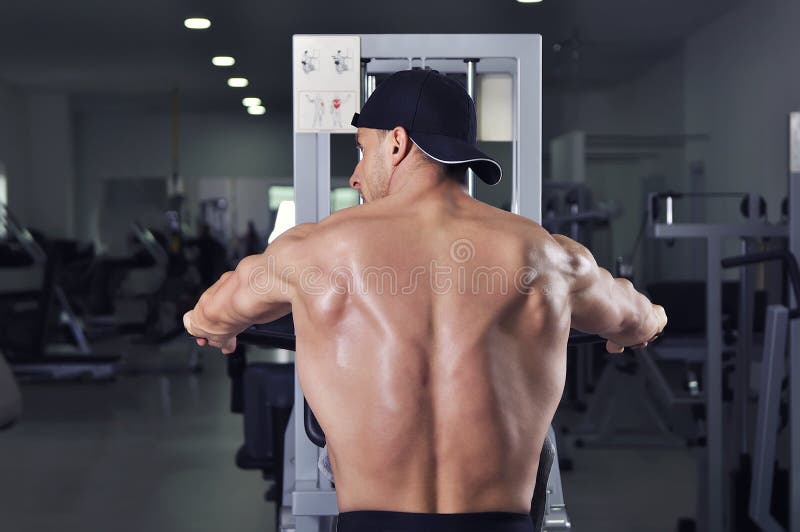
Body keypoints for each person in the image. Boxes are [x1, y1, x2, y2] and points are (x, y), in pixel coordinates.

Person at [184, 70, 667, 532]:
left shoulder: (315, 251)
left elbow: (206, 315)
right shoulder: (547, 256)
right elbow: (640, 320)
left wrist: (220, 330)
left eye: (362, 150)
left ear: (397, 144)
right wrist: (636, 327)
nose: (354, 176)